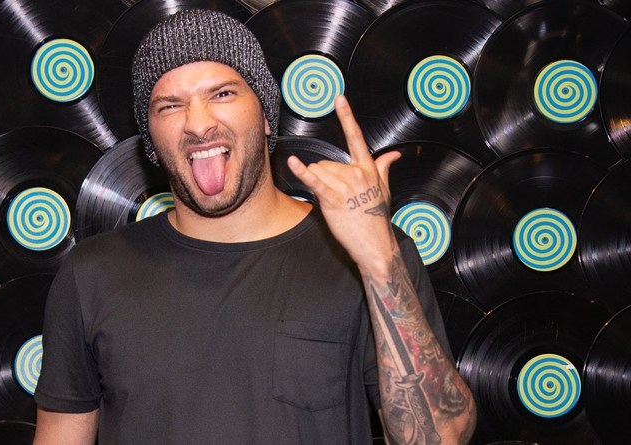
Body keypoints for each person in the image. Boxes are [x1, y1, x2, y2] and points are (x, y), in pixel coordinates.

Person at [32, 9, 476, 445]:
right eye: (170, 105)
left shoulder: (366, 252)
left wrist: (378, 258)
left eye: (222, 93)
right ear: (150, 139)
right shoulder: (92, 273)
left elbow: (441, 439)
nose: (199, 123)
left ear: (265, 114)